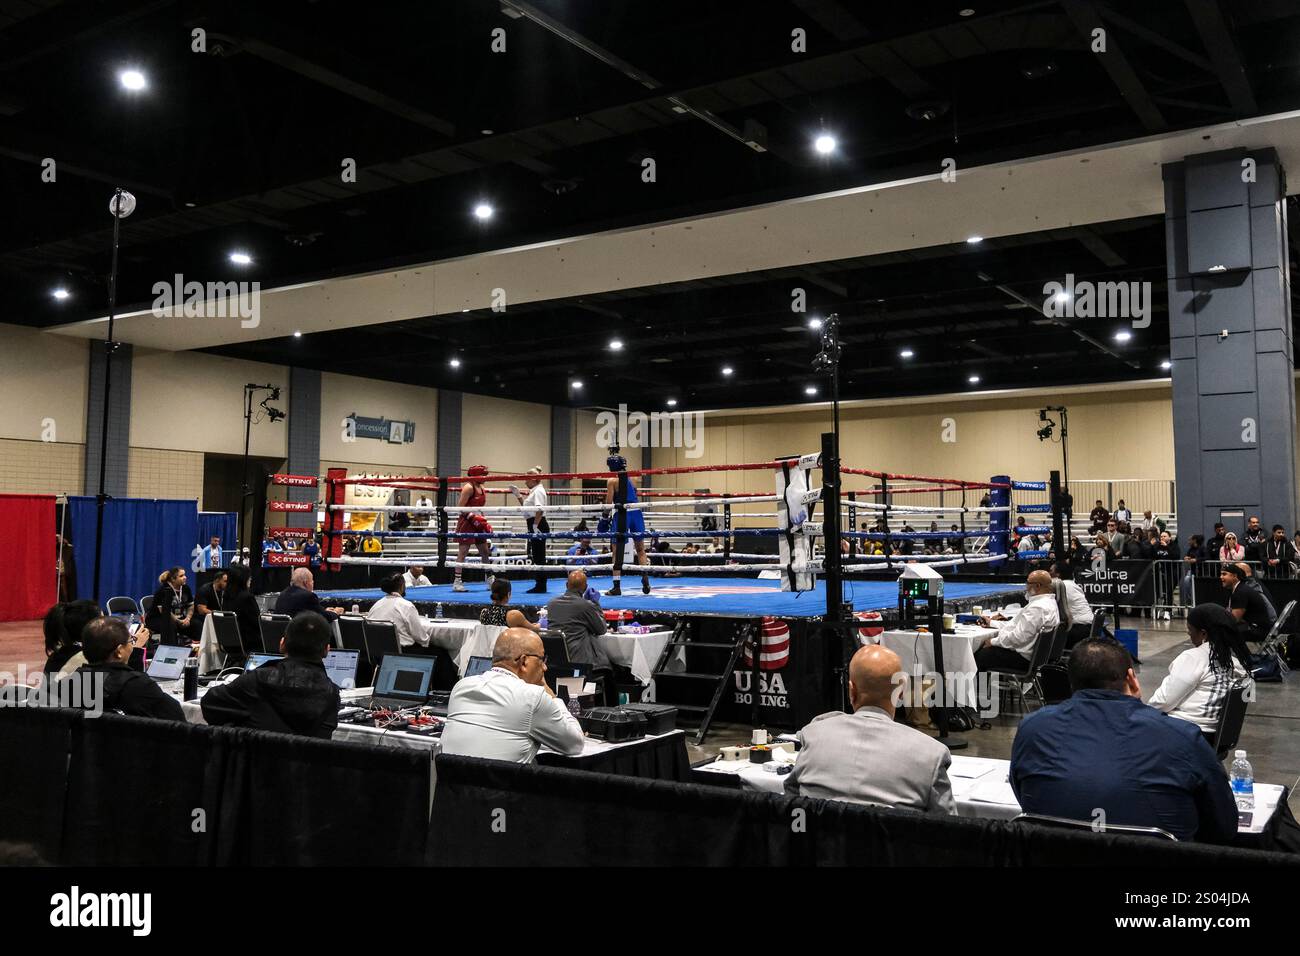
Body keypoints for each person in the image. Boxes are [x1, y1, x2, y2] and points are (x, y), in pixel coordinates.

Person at [1010, 638, 1237, 843]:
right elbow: (1223, 826)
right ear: (1131, 678)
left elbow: (1026, 798)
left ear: (1072, 683)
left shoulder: (1033, 728)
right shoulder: (1182, 736)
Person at [784, 645, 955, 814]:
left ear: (851, 691)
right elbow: (949, 829)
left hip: (817, 841)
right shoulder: (932, 754)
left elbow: (790, 801)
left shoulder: (813, 736)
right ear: (900, 693)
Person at [439, 627, 585, 763]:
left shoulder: (461, 687)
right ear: (523, 661)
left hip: (451, 788)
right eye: (542, 659)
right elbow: (574, 744)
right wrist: (551, 695)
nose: (545, 667)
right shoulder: (533, 697)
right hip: (500, 788)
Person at [200, 611, 340, 738]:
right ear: (326, 650)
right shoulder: (332, 694)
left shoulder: (258, 680)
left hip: (256, 762)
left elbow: (210, 703)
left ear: (282, 644)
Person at [1149, 604, 1254, 738]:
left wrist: (1142, 713)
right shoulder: (1234, 663)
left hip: (1185, 734)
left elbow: (1163, 702)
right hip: (1215, 736)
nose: (1188, 633)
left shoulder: (1193, 658)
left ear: (1203, 633)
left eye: (1190, 629)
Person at [60, 617, 183, 721]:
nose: (132, 646)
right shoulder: (139, 686)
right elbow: (177, 720)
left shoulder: (66, 684)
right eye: (131, 641)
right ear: (119, 651)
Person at [975, 570, 1059, 671]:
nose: (1026, 587)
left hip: (1022, 659)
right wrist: (992, 623)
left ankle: (981, 686)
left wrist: (993, 642)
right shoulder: (1049, 603)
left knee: (979, 655)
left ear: (1037, 586)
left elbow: (1018, 638)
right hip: (1034, 658)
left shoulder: (1037, 607)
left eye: (1028, 583)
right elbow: (1017, 627)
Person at [602, 452, 651, 596]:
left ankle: (616, 586)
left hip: (622, 513)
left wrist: (604, 518)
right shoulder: (633, 478)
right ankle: (645, 577)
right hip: (636, 511)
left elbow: (609, 502)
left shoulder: (612, 480)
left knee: (617, 551)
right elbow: (634, 494)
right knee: (641, 549)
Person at [545, 570, 611, 669]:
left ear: (566, 585)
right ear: (585, 587)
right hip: (579, 661)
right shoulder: (585, 605)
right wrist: (596, 604)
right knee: (606, 665)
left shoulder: (551, 603)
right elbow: (601, 629)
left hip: (555, 659)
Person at [452, 465, 495, 592]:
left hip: (478, 523)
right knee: (463, 552)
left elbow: (480, 507)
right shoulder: (468, 487)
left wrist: (483, 522)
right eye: (483, 475)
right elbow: (460, 507)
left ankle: (489, 579)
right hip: (467, 523)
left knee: (485, 551)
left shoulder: (481, 487)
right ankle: (457, 582)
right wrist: (472, 517)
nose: (485, 478)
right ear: (476, 475)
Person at [510, 466, 551, 593]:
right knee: (537, 555)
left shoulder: (538, 491)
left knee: (539, 556)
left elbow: (539, 509)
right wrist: (518, 496)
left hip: (537, 524)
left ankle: (541, 585)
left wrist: (535, 526)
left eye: (527, 479)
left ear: (533, 479)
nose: (525, 482)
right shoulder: (534, 491)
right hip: (534, 523)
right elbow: (528, 510)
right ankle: (540, 584)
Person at [365, 574, 431, 649]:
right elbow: (421, 637)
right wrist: (429, 641)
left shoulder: (375, 606)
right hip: (403, 652)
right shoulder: (406, 606)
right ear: (402, 586)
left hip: (376, 651)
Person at [1221, 562, 1275, 640]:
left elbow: (1233, 620)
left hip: (1259, 630)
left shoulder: (1242, 590)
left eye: (1224, 574)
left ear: (1235, 575)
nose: (1221, 577)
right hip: (1261, 627)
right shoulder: (1244, 587)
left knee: (1224, 631)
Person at [147, 567, 199, 645]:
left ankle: (196, 647)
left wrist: (187, 618)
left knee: (196, 624)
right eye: (181, 576)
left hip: (178, 618)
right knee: (171, 625)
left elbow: (191, 606)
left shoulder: (186, 588)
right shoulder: (163, 590)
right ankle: (172, 650)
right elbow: (165, 611)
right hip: (158, 619)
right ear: (173, 579)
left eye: (184, 575)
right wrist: (179, 621)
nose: (185, 577)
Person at [274, 567, 345, 622]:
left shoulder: (283, 594)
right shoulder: (308, 596)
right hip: (299, 637)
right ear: (306, 583)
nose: (313, 583)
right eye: (312, 581)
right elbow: (324, 617)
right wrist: (335, 613)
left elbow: (315, 611)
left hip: (279, 636)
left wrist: (325, 610)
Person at [1051, 564, 1094, 648]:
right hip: (1090, 627)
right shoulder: (1074, 585)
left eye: (1051, 570)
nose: (1049, 573)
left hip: (1079, 631)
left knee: (1044, 638)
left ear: (1058, 574)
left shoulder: (1062, 586)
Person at [222, 569, 262, 655]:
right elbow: (258, 622)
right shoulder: (247, 597)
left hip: (229, 642)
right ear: (243, 579)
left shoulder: (226, 596)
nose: (250, 579)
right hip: (248, 642)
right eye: (249, 577)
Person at [1181, 534, 1204, 607]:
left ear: (1194, 540)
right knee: (1187, 583)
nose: (1188, 541)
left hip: (1201, 571)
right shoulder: (1191, 549)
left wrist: (1196, 560)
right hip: (1193, 571)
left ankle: (1198, 603)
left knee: (1198, 588)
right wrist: (1186, 558)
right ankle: (1191, 602)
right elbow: (1187, 555)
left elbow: (1206, 557)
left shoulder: (1202, 548)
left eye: (1190, 540)